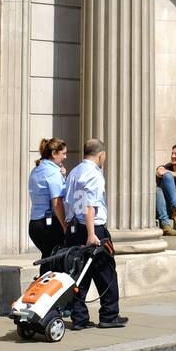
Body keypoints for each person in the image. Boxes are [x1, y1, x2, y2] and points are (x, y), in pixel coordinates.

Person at [63, 138, 127, 330]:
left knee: (80, 274)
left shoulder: (74, 172)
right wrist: (92, 234)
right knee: (106, 272)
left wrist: (70, 228)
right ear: (101, 155)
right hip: (93, 229)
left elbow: (67, 201)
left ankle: (79, 318)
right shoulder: (95, 174)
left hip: (75, 228)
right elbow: (90, 206)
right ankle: (109, 315)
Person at [27, 137, 68, 257]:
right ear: (54, 153)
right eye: (63, 153)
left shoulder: (36, 170)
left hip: (35, 223)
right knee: (55, 263)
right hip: (49, 225)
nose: (65, 157)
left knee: (48, 260)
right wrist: (64, 226)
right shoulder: (52, 172)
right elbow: (57, 203)